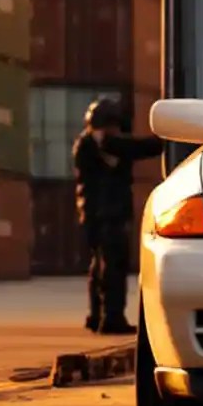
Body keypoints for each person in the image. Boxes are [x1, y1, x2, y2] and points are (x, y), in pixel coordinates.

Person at [74, 97, 164, 334]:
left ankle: (96, 315)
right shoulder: (107, 143)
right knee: (114, 266)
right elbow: (143, 147)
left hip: (91, 213)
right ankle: (112, 318)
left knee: (99, 264)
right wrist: (167, 139)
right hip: (111, 213)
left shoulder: (84, 143)